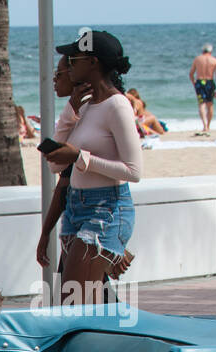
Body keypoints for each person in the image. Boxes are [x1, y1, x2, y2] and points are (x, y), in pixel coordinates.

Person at [43, 30, 142, 307]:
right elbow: (55, 163)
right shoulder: (85, 106)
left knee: (72, 304)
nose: (69, 64)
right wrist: (70, 111)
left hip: (106, 210)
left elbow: (134, 171)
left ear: (93, 63)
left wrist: (80, 156)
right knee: (89, 306)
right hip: (77, 209)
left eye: (74, 59)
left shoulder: (117, 105)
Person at [190, 42, 216, 136]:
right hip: (209, 82)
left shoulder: (197, 59)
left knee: (201, 104)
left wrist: (194, 82)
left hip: (200, 82)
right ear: (211, 51)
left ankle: (204, 125)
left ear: (202, 50)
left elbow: (191, 73)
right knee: (210, 104)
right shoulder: (214, 60)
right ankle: (208, 125)